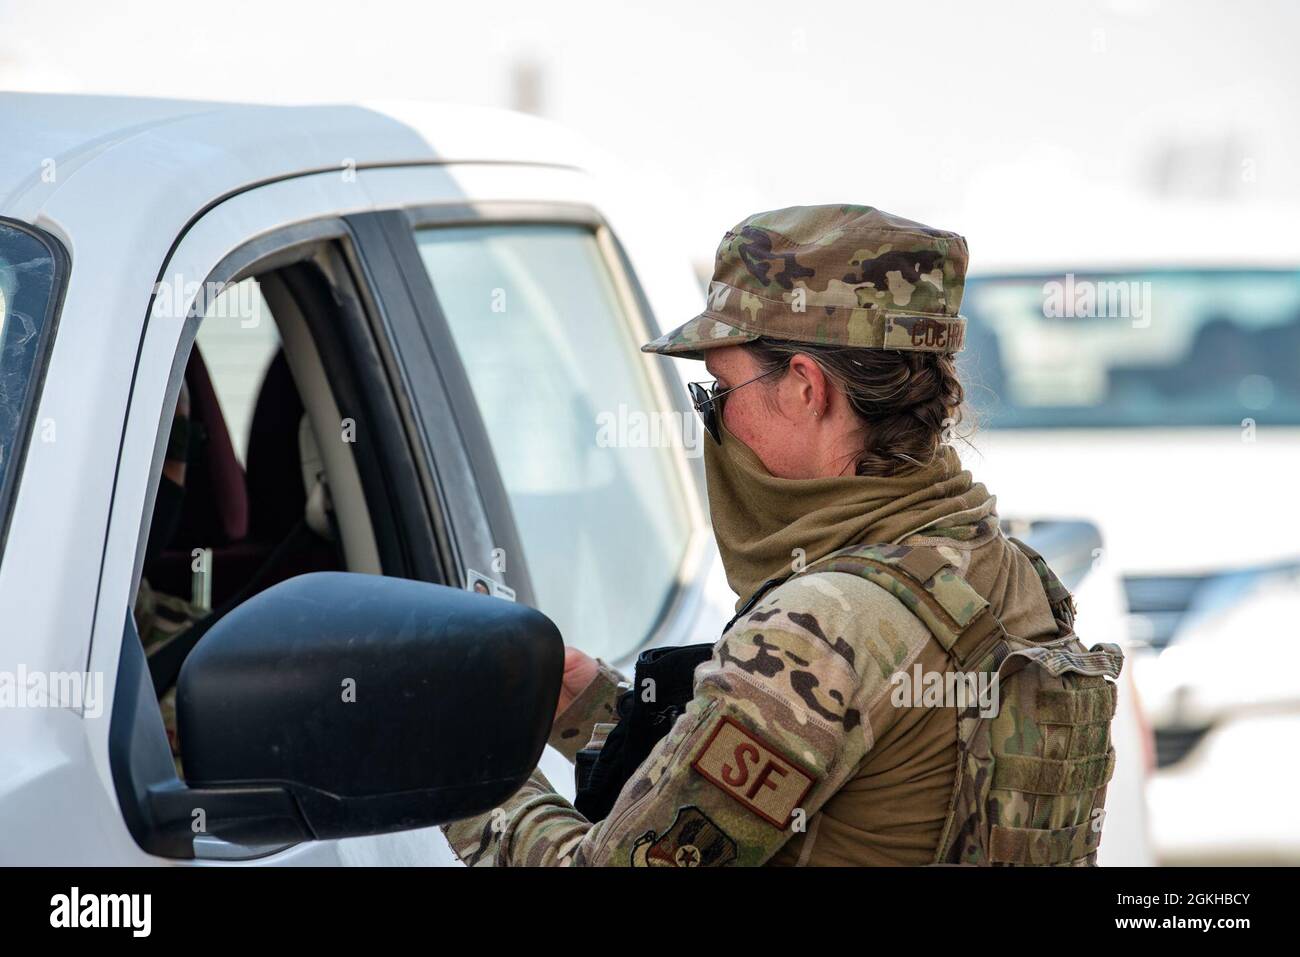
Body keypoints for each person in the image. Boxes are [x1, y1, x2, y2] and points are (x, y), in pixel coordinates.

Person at [442, 204, 1123, 867]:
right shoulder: (1001, 571)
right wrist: (594, 711)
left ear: (804, 388)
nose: (714, 421)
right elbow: (833, 769)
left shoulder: (821, 625)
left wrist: (458, 764)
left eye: (718, 389)